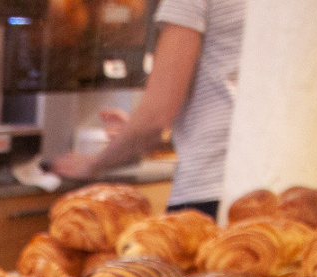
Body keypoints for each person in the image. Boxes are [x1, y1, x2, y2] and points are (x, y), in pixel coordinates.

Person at [51, 0, 245, 219]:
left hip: (207, 189)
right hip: (257, 188)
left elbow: (156, 117)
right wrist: (137, 133)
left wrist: (95, 163)